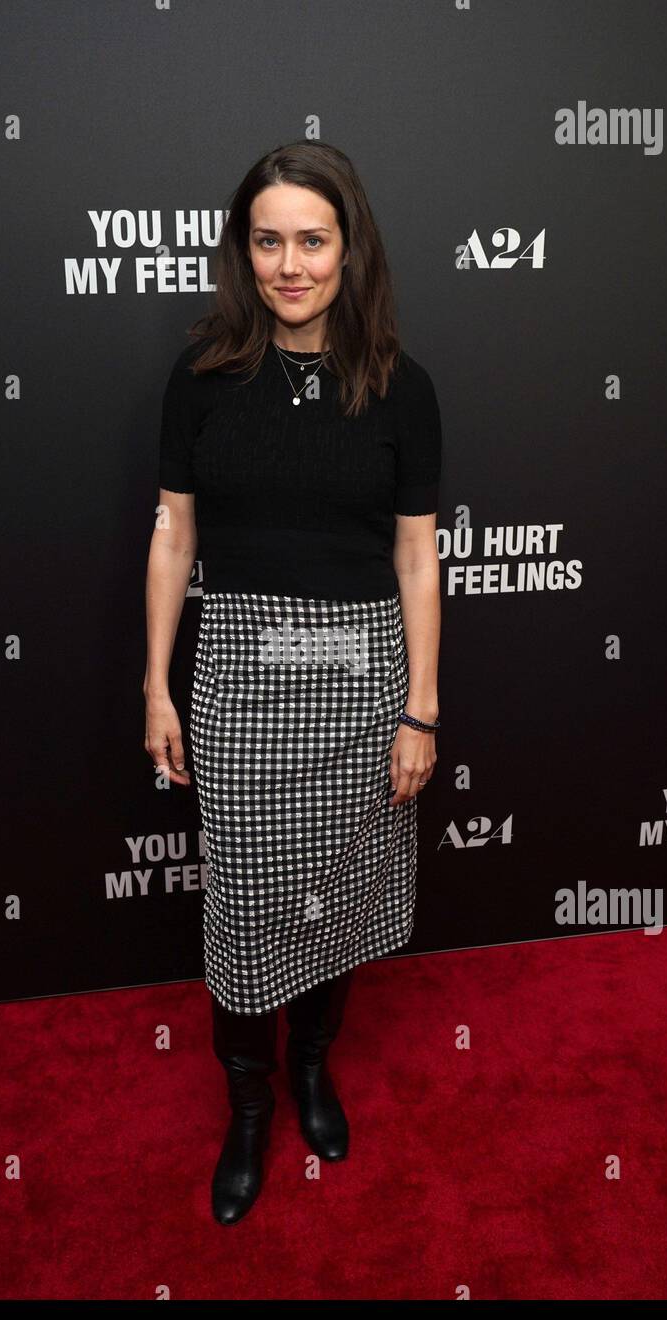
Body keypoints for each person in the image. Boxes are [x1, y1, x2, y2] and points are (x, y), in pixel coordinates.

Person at [143, 140, 442, 1226]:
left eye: (311, 239)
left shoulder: (403, 388)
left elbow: (416, 557)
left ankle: (311, 1067)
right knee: (242, 910)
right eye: (267, 240)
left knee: (341, 898)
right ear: (245, 251)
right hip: (235, 671)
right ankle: (250, 1105)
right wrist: (155, 686)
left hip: (365, 682)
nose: (289, 263)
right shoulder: (202, 378)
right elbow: (174, 536)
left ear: (348, 247)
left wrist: (420, 706)